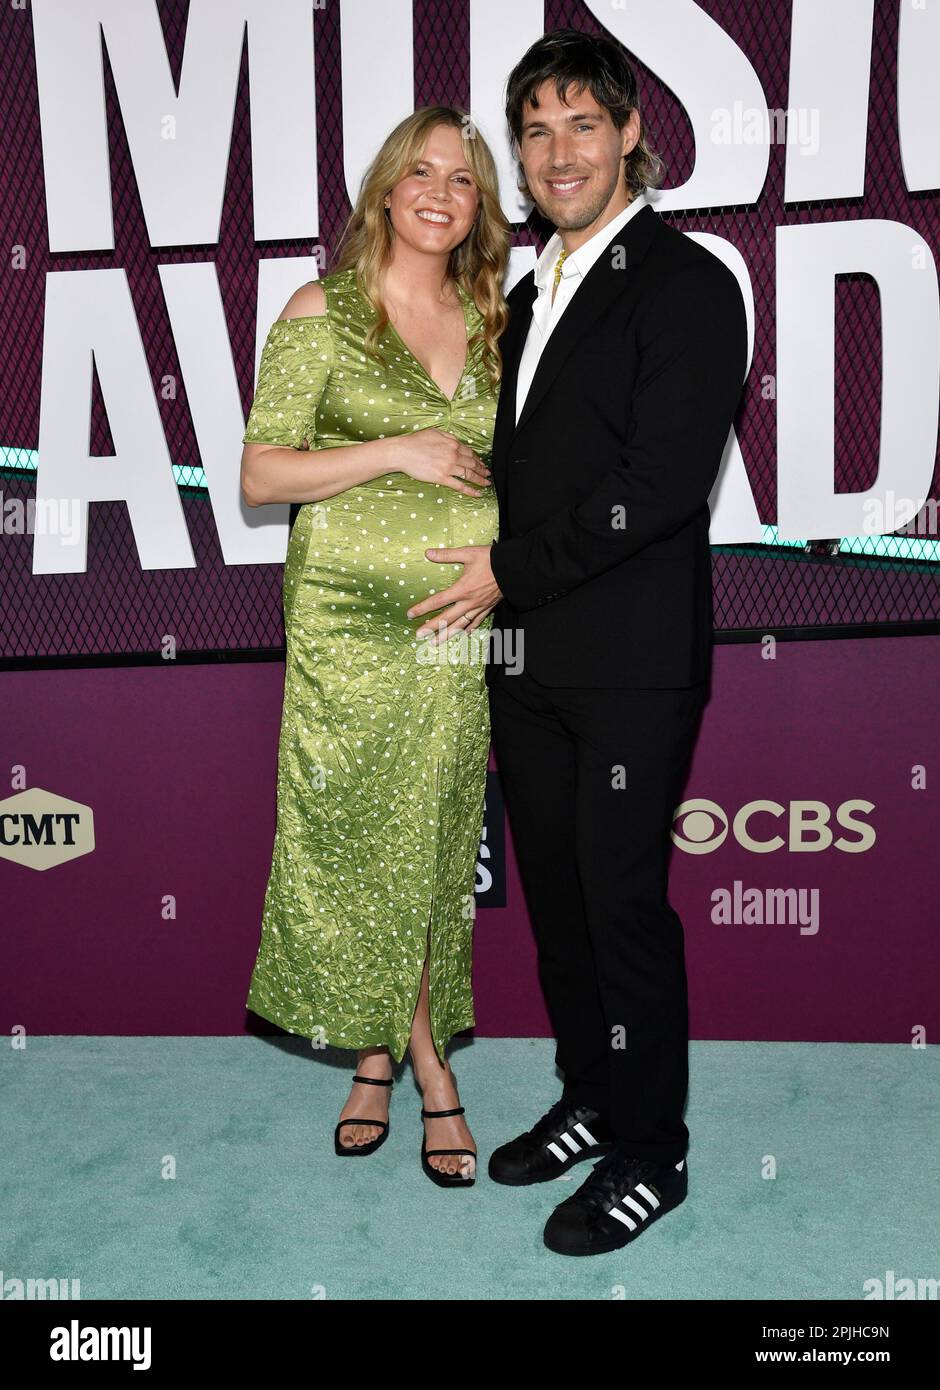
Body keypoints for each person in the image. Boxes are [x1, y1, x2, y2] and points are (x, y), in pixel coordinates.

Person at [406, 30, 748, 1249]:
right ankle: (591, 1095)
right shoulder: (522, 290)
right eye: (535, 131)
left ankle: (653, 1150)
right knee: (555, 898)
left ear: (631, 138)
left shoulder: (689, 282)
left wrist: (505, 568)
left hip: (629, 663)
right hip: (526, 659)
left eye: (582, 126)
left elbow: (652, 487)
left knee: (620, 904)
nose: (558, 153)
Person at [240, 107, 509, 1186]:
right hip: (348, 620)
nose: (441, 191)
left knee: (435, 839)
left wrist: (509, 568)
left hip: (457, 618)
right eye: (422, 171)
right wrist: (397, 445)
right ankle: (419, 1068)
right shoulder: (324, 310)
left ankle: (382, 1057)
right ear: (387, 189)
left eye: (465, 177)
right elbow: (263, 475)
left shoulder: (496, 318)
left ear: (479, 205)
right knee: (357, 834)